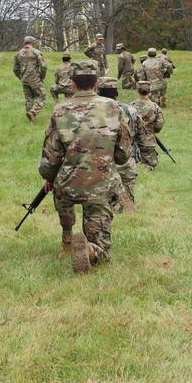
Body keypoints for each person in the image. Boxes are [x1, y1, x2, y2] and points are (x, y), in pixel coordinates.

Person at [38, 61, 132, 274]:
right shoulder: (113, 107)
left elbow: (50, 157)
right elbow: (123, 153)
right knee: (103, 249)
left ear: (72, 84)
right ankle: (91, 249)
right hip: (100, 184)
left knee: (62, 195)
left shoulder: (59, 110)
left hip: (68, 184)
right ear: (97, 82)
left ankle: (68, 241)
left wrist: (50, 178)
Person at [97, 76, 153, 213]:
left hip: (100, 162)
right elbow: (143, 138)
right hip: (127, 159)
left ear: (98, 91)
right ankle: (125, 209)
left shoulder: (92, 112)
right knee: (127, 191)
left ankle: (112, 208)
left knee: (102, 198)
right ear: (116, 92)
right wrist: (146, 158)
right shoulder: (130, 111)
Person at [130, 80, 164, 169]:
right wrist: (152, 130)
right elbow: (159, 125)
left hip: (133, 141)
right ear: (150, 91)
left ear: (138, 90)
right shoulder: (155, 107)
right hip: (148, 142)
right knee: (152, 164)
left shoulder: (130, 106)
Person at [13, 35, 47, 122]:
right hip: (35, 78)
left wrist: (21, 77)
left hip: (24, 79)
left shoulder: (18, 54)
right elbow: (43, 66)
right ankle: (33, 112)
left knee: (29, 99)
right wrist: (42, 76)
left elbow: (15, 69)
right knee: (42, 97)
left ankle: (30, 119)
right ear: (33, 43)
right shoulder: (36, 52)